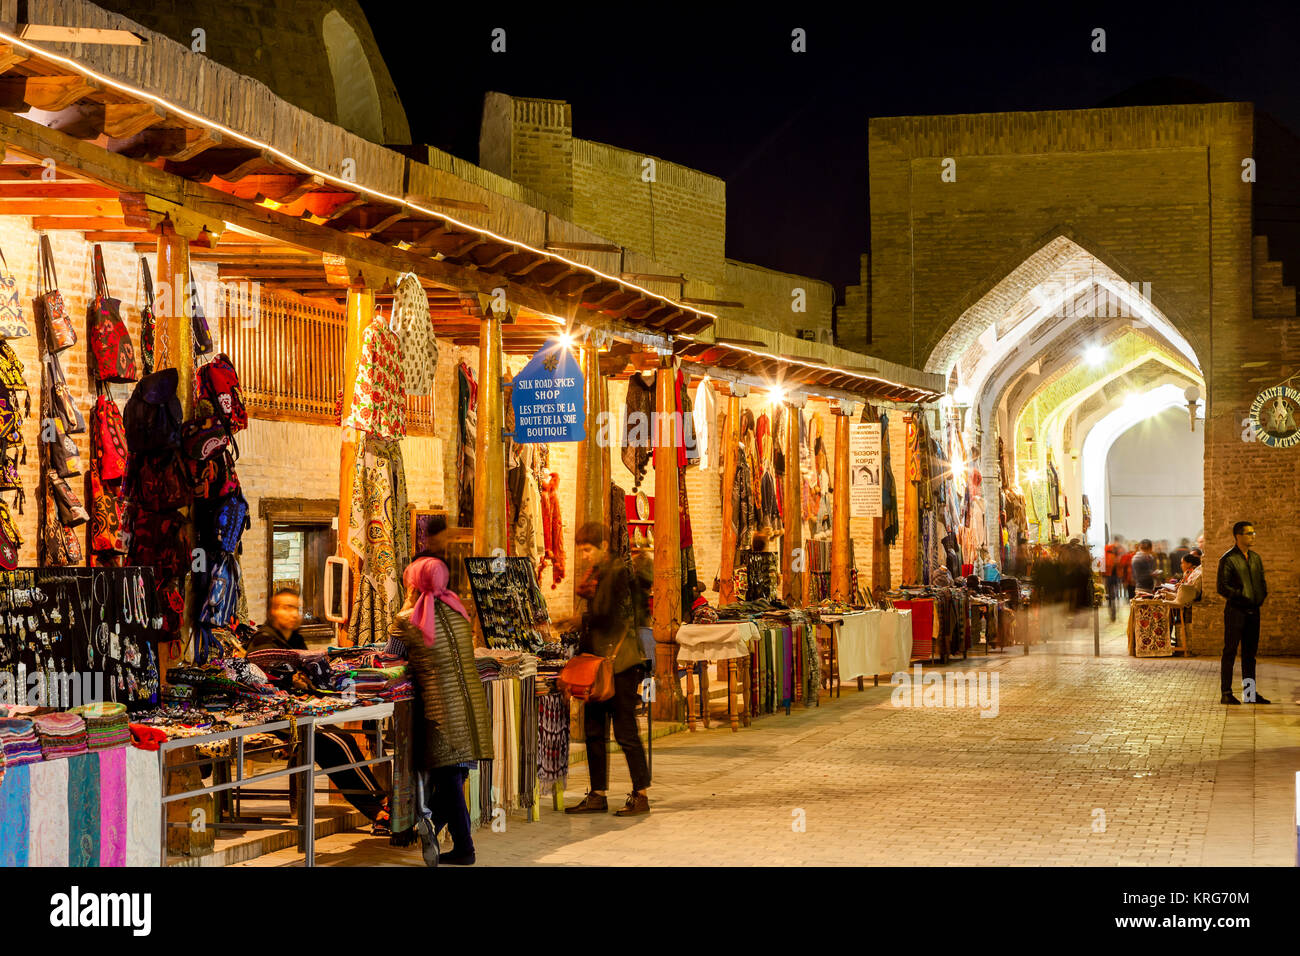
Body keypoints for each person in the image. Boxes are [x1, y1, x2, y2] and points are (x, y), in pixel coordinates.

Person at [244, 587, 390, 832]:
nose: (292, 613)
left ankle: (378, 805)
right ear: (273, 611)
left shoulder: (294, 640)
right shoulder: (264, 642)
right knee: (337, 743)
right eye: (285, 608)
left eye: (295, 608)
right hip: (273, 716)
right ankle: (379, 806)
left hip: (299, 712)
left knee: (341, 741)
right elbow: (265, 682)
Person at [389, 548, 494, 866]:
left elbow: (391, 659)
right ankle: (432, 827)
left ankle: (458, 844)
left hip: (439, 709)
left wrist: (404, 610)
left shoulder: (407, 620)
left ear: (414, 583)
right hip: (471, 706)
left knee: (449, 778)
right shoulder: (458, 611)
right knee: (456, 775)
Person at [566, 521, 653, 817]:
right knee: (594, 730)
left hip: (621, 663)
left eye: (588, 550)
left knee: (625, 731)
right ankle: (597, 794)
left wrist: (579, 620)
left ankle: (641, 795)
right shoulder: (599, 573)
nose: (584, 556)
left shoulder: (616, 573)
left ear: (603, 546)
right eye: (582, 550)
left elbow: (611, 616)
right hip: (599, 664)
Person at [1216, 521, 1270, 705]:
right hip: (1236, 611)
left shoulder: (1255, 558)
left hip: (1253, 611)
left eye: (1254, 533)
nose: (1253, 536)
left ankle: (1249, 694)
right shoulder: (1228, 559)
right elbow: (1222, 587)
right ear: (1238, 536)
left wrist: (1259, 597)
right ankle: (1226, 693)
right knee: (1230, 652)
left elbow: (1261, 582)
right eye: (1248, 533)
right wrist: (1241, 597)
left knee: (1249, 655)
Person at [247, 587, 309, 652]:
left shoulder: (297, 640)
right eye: (287, 607)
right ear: (272, 611)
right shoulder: (263, 642)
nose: (295, 614)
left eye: (299, 609)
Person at [1104, 536, 1125, 621]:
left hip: (1116, 575)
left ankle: (1114, 610)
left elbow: (1123, 563)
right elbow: (1104, 561)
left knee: (1115, 594)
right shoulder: (1107, 549)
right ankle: (1112, 610)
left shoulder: (1121, 550)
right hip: (1109, 575)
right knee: (1110, 594)